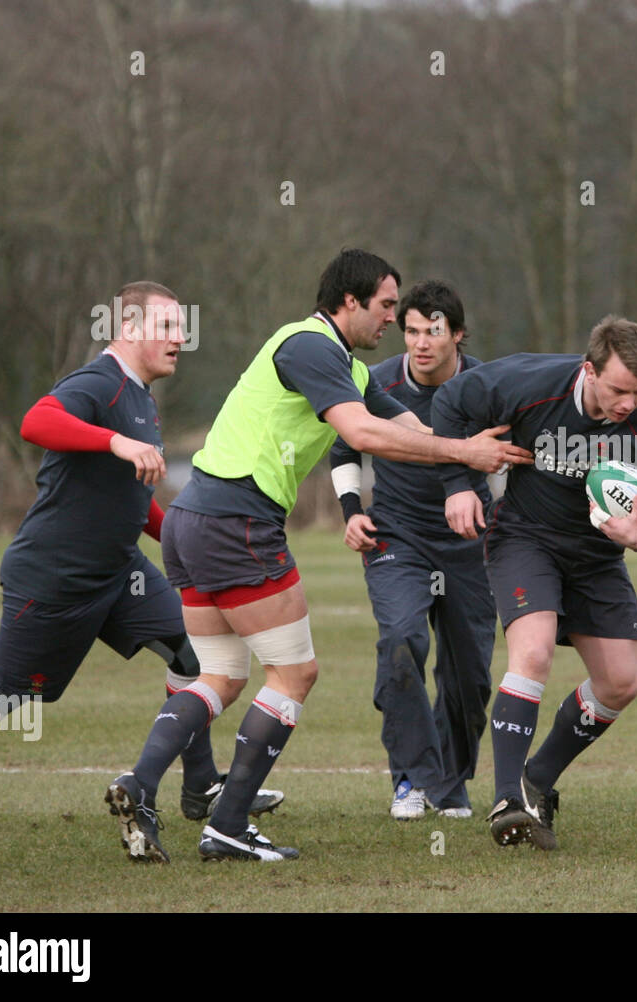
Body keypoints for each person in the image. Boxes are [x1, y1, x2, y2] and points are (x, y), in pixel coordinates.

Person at [108, 250, 530, 862]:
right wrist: (463, 456)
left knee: (220, 678)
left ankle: (139, 785)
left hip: (191, 518)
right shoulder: (309, 346)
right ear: (351, 302)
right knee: (296, 674)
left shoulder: (348, 370)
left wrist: (462, 447)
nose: (393, 319)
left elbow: (409, 426)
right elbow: (360, 436)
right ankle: (227, 824)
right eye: (387, 305)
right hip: (237, 522)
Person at [0, 282, 276, 839]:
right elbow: (36, 422)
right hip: (54, 576)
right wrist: (117, 443)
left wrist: (181, 539)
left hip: (120, 572)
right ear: (128, 329)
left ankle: (198, 786)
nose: (180, 338)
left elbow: (130, 495)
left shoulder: (141, 396)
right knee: (7, 694)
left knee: (193, 650)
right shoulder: (100, 382)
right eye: (167, 327)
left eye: (181, 327)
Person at [431, 315, 637, 849]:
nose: (629, 402)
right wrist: (458, 482)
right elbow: (450, 403)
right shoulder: (529, 383)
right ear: (589, 370)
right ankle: (506, 800)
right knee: (533, 652)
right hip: (525, 538)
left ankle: (537, 779)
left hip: (597, 558)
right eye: (618, 390)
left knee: (621, 683)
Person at [330, 279, 496, 821]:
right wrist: (352, 509)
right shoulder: (375, 383)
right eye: (411, 331)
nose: (421, 343)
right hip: (396, 537)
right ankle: (412, 779)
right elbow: (344, 447)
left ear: (459, 335)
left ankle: (449, 782)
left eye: (434, 332)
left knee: (469, 675)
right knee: (401, 640)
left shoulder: (487, 386)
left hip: (473, 546)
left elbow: (513, 459)